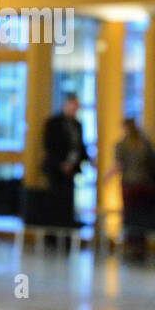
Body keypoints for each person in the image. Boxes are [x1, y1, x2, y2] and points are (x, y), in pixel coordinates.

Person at [105, 118, 155, 262]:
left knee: (131, 216)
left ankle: (130, 247)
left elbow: (118, 165)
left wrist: (105, 177)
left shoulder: (122, 145)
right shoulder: (144, 143)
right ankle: (140, 248)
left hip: (130, 186)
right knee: (142, 216)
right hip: (146, 186)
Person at [41, 92, 90, 252]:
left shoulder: (77, 124)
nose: (74, 109)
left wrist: (82, 161)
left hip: (71, 171)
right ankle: (52, 237)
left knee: (68, 203)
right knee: (53, 202)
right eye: (72, 106)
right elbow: (49, 146)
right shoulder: (53, 123)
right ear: (65, 106)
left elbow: (80, 147)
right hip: (55, 170)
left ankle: (67, 237)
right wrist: (61, 164)